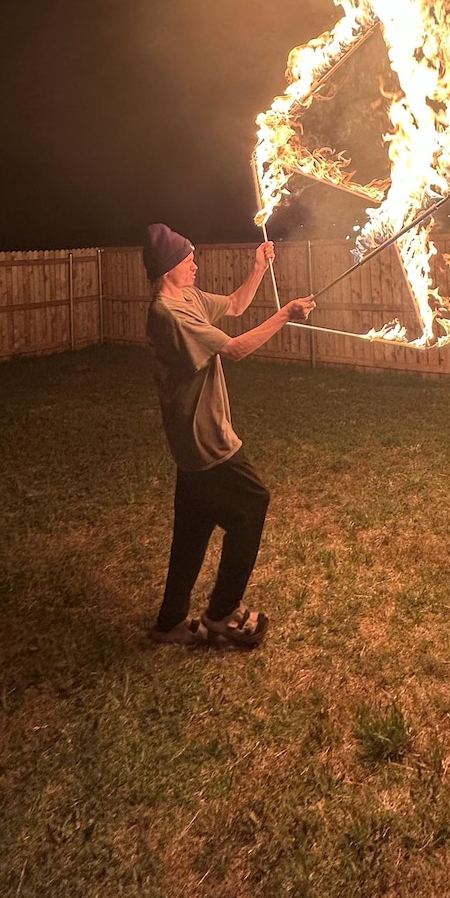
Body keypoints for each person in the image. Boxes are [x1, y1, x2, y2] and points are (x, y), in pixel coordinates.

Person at [142, 222, 315, 648]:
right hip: (204, 436)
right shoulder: (170, 313)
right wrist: (285, 316)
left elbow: (236, 306)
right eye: (189, 261)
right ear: (169, 269)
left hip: (191, 439)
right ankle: (222, 612)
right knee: (253, 503)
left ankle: (170, 623)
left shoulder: (188, 297)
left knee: (194, 527)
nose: (195, 266)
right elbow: (235, 348)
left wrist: (258, 268)